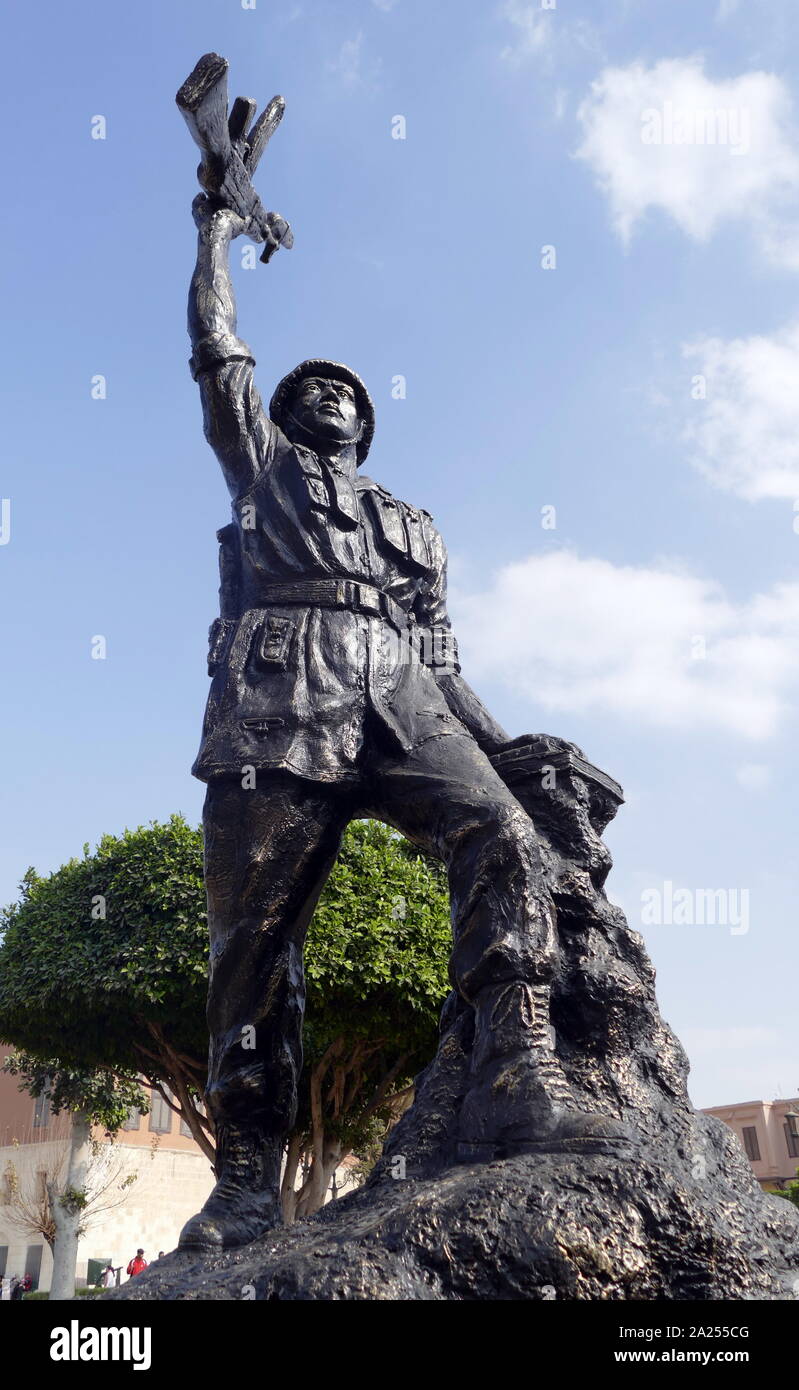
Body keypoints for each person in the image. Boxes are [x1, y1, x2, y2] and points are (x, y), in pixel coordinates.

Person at [178, 194, 623, 1253]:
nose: (327, 393)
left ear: (367, 425)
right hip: (279, 697)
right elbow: (215, 351)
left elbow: (442, 651)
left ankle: (517, 1076)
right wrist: (212, 234)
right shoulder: (263, 473)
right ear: (282, 416)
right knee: (255, 946)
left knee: (503, 832)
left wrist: (510, 746)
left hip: (399, 690)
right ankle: (243, 1179)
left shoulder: (411, 525)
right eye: (309, 386)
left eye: (346, 390)